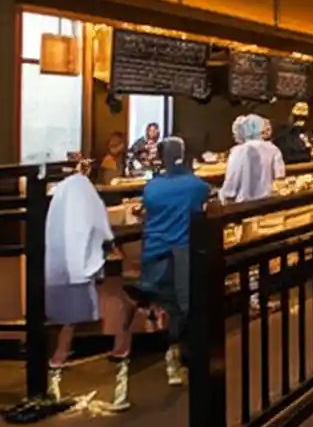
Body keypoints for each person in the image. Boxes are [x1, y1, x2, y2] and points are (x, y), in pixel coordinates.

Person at [44, 160, 135, 409]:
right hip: (91, 265)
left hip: (61, 269)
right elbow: (101, 227)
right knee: (120, 303)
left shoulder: (60, 196)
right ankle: (120, 363)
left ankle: (56, 372)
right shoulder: (86, 192)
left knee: (69, 321)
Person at [137, 137, 211, 386]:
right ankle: (179, 359)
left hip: (153, 254)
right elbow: (205, 197)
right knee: (184, 308)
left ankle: (172, 356)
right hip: (181, 254)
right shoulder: (195, 186)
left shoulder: (151, 188)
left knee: (167, 306)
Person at [220, 115, 283, 204]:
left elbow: (231, 186)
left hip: (242, 205)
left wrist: (223, 196)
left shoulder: (238, 151)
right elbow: (279, 178)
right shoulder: (274, 149)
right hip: (267, 202)